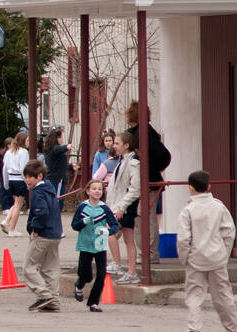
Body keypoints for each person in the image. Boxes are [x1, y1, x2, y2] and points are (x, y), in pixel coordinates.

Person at [178, 170, 237, 332]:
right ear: (209, 187)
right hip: (217, 257)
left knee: (194, 295)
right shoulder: (219, 207)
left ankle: (194, 329)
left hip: (195, 258)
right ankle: (234, 330)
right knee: (223, 294)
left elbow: (183, 239)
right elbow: (229, 232)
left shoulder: (188, 210)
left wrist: (184, 258)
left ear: (190, 188)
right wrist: (224, 254)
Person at [125, 101, 171, 263]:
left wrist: (150, 169)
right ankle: (145, 252)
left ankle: (149, 253)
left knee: (145, 217)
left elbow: (164, 156)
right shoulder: (140, 132)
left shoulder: (143, 133)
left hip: (147, 182)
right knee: (140, 217)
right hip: (142, 181)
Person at [70, 178, 121, 311]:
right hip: (85, 243)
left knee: (101, 274)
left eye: (100, 189)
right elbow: (74, 225)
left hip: (100, 244)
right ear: (88, 191)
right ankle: (79, 285)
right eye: (94, 189)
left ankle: (93, 303)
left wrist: (108, 231)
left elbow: (115, 225)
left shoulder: (104, 208)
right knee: (86, 274)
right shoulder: (82, 207)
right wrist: (84, 221)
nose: (97, 191)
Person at [23, 159, 62, 312]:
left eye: (29, 177)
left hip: (43, 235)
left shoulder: (38, 193)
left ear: (39, 176)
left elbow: (42, 211)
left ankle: (44, 295)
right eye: (25, 177)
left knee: (29, 267)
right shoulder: (50, 189)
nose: (27, 180)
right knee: (49, 269)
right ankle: (54, 302)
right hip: (55, 234)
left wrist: (35, 228)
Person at [105, 131, 142, 285]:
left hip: (125, 207)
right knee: (128, 239)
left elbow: (134, 188)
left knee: (110, 231)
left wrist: (121, 207)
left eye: (117, 143)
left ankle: (117, 263)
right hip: (119, 206)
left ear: (126, 145)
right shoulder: (122, 161)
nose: (114, 146)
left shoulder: (133, 163)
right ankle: (132, 272)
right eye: (114, 143)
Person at [0, 131, 30, 236]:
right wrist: (27, 183)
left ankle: (6, 221)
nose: (28, 142)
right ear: (23, 141)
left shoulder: (9, 152)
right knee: (18, 204)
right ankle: (12, 229)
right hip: (19, 180)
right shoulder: (24, 152)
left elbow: (5, 168)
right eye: (27, 140)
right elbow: (23, 169)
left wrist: (6, 183)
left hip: (11, 179)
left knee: (16, 203)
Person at [41, 127, 70, 207]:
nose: (62, 139)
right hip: (57, 180)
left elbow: (59, 165)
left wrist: (71, 166)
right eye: (60, 137)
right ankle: (54, 218)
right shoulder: (54, 149)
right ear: (56, 138)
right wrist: (66, 147)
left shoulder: (50, 149)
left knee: (54, 201)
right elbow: (57, 149)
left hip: (53, 178)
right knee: (57, 202)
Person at [0, 137, 14, 212]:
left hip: (11, 173)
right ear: (8, 145)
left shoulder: (13, 153)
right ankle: (6, 207)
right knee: (5, 190)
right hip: (6, 172)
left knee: (11, 190)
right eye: (12, 144)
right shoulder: (6, 154)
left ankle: (12, 206)